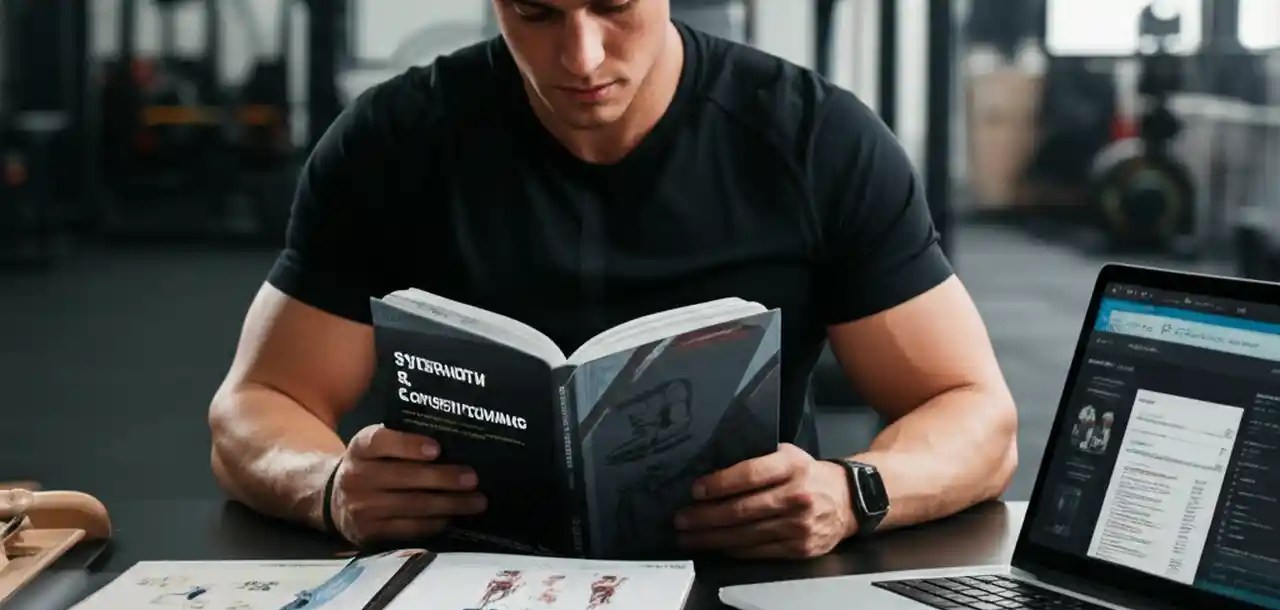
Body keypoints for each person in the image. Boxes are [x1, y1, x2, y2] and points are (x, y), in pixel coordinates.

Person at [208, 0, 1018, 560]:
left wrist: (853, 493)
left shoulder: (816, 140)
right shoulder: (390, 144)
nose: (582, 56)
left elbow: (979, 414)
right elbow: (255, 405)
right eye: (537, 13)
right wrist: (330, 487)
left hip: (743, 581)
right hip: (456, 580)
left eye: (613, 7)